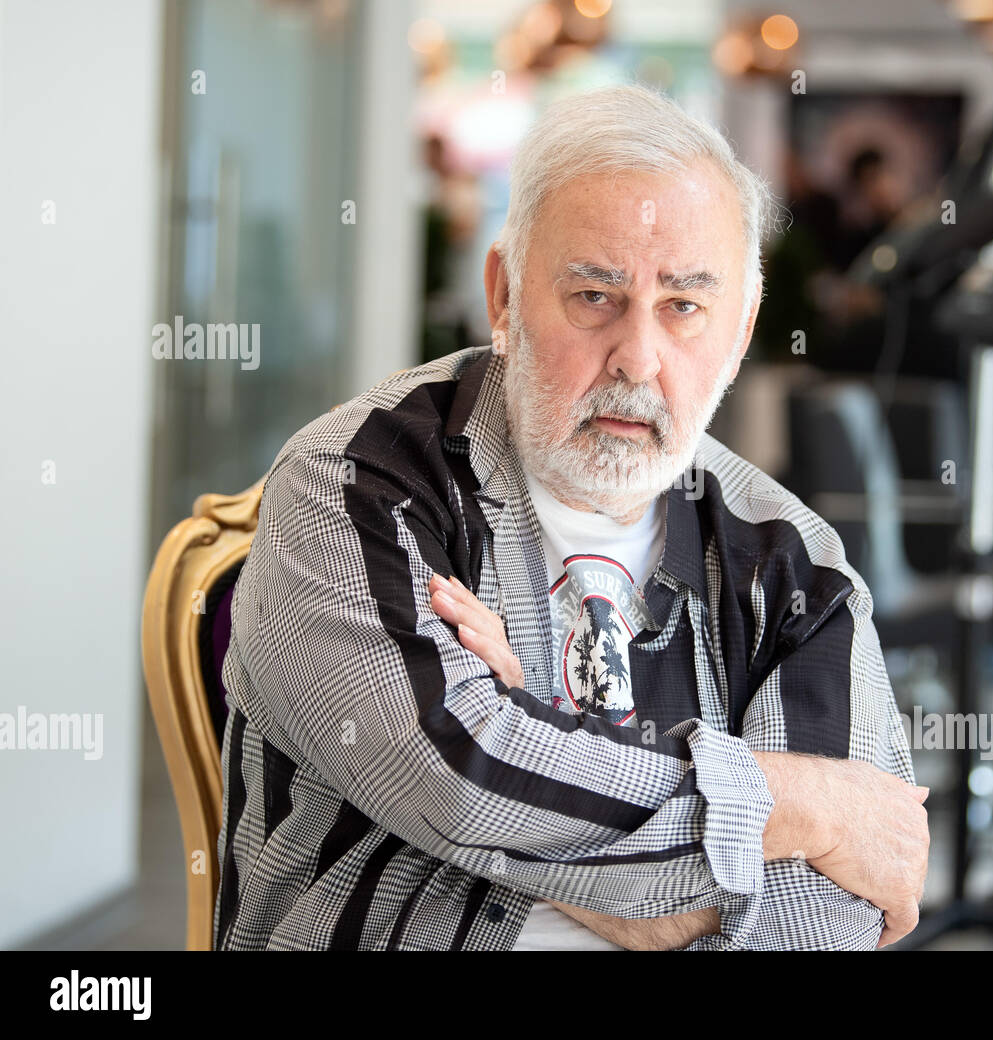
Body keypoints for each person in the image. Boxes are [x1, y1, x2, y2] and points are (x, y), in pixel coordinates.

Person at [214, 84, 929, 951]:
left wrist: (535, 747)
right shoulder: (356, 488)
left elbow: (831, 915)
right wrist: (796, 807)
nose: (638, 355)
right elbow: (463, 784)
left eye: (684, 306)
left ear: (741, 332)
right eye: (594, 296)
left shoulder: (793, 566)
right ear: (506, 296)